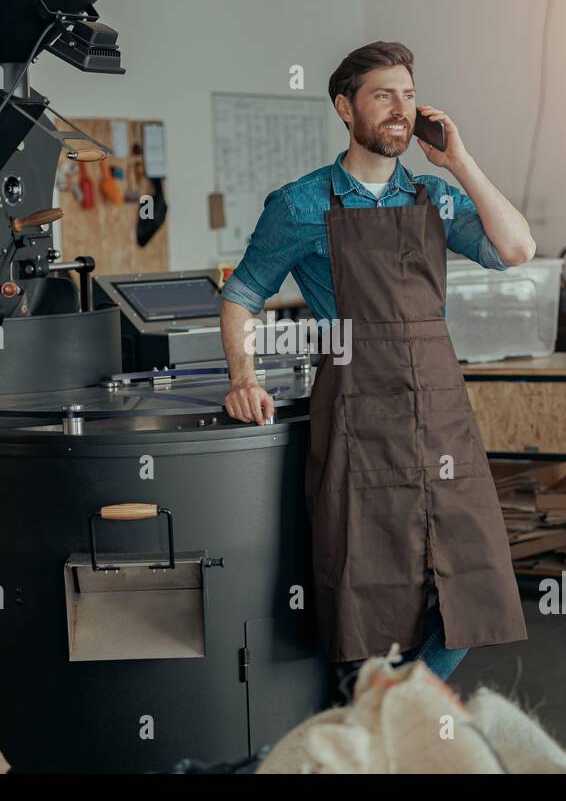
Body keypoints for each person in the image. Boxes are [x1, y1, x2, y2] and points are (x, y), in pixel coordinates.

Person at [219, 41, 534, 701]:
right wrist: (243, 378)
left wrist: (460, 159)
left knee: (473, 583)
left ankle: (390, 707)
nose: (400, 108)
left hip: (441, 410)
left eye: (409, 95)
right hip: (359, 411)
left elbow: (516, 248)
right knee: (367, 584)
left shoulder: (435, 196)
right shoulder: (302, 205)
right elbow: (242, 293)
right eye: (383, 95)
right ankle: (376, 715)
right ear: (345, 106)